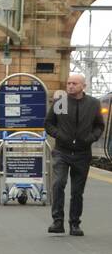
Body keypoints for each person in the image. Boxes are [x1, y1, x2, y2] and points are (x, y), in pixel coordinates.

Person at [44, 71, 104, 236]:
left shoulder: (93, 103)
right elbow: (49, 124)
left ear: (83, 86)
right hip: (62, 151)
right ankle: (57, 222)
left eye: (74, 83)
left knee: (77, 191)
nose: (70, 86)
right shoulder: (60, 101)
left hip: (82, 153)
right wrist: (59, 135)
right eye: (69, 83)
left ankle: (75, 224)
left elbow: (99, 125)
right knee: (58, 184)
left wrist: (91, 138)